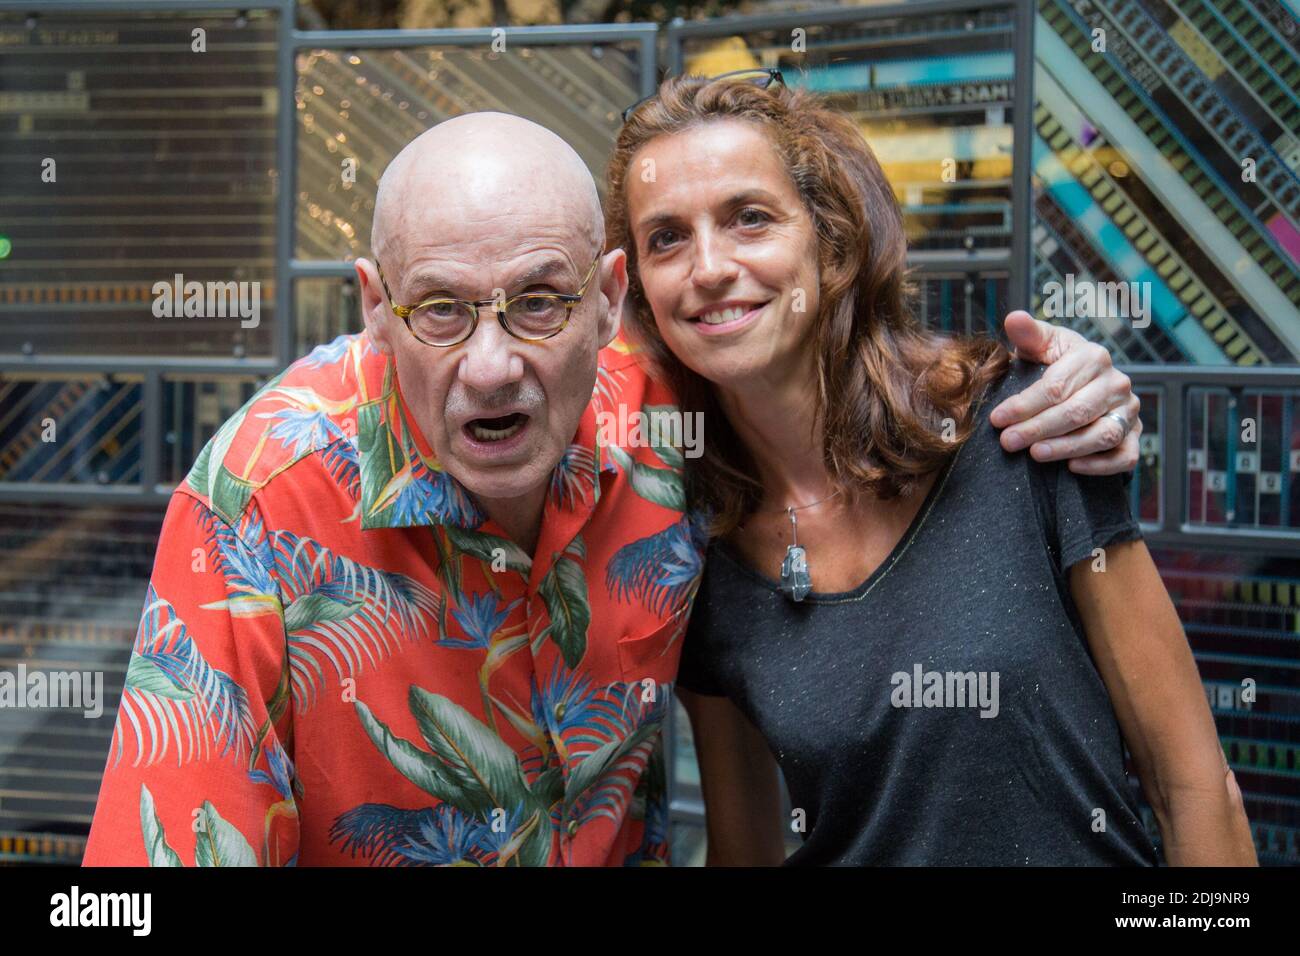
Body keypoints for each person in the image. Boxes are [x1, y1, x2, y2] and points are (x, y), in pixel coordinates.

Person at [84, 111, 1140, 867]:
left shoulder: (679, 419)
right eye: (440, 311)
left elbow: (846, 377)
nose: (492, 364)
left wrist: (1071, 384)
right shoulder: (261, 496)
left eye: (540, 302)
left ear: (607, 298)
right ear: (374, 305)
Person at [605, 74, 1257, 865]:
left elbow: (1191, 787)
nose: (708, 267)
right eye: (667, 238)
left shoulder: (1024, 428)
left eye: (750, 218)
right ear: (637, 282)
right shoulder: (693, 539)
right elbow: (747, 850)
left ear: (831, 240)